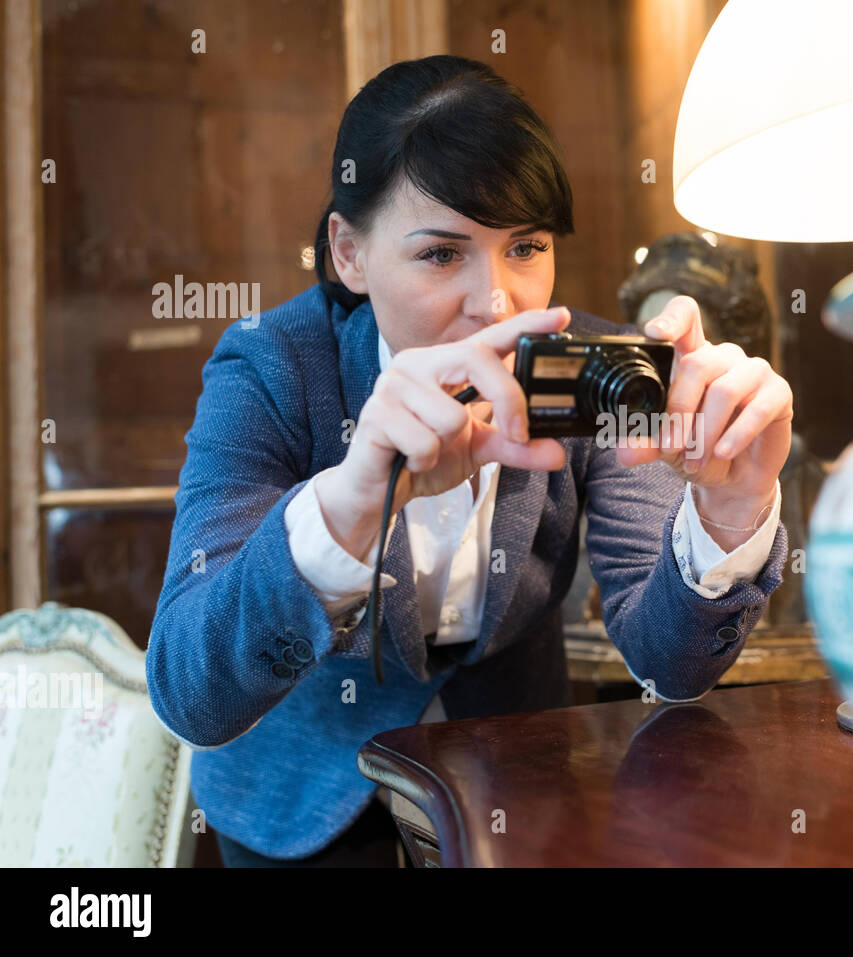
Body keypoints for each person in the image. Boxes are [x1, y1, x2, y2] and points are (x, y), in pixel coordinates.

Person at [146, 54, 792, 866]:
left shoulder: (595, 370)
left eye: (526, 246)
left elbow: (671, 662)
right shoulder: (271, 365)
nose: (497, 302)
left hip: (516, 784)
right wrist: (346, 508)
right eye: (442, 254)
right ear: (348, 252)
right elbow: (188, 689)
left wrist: (728, 511)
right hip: (296, 797)